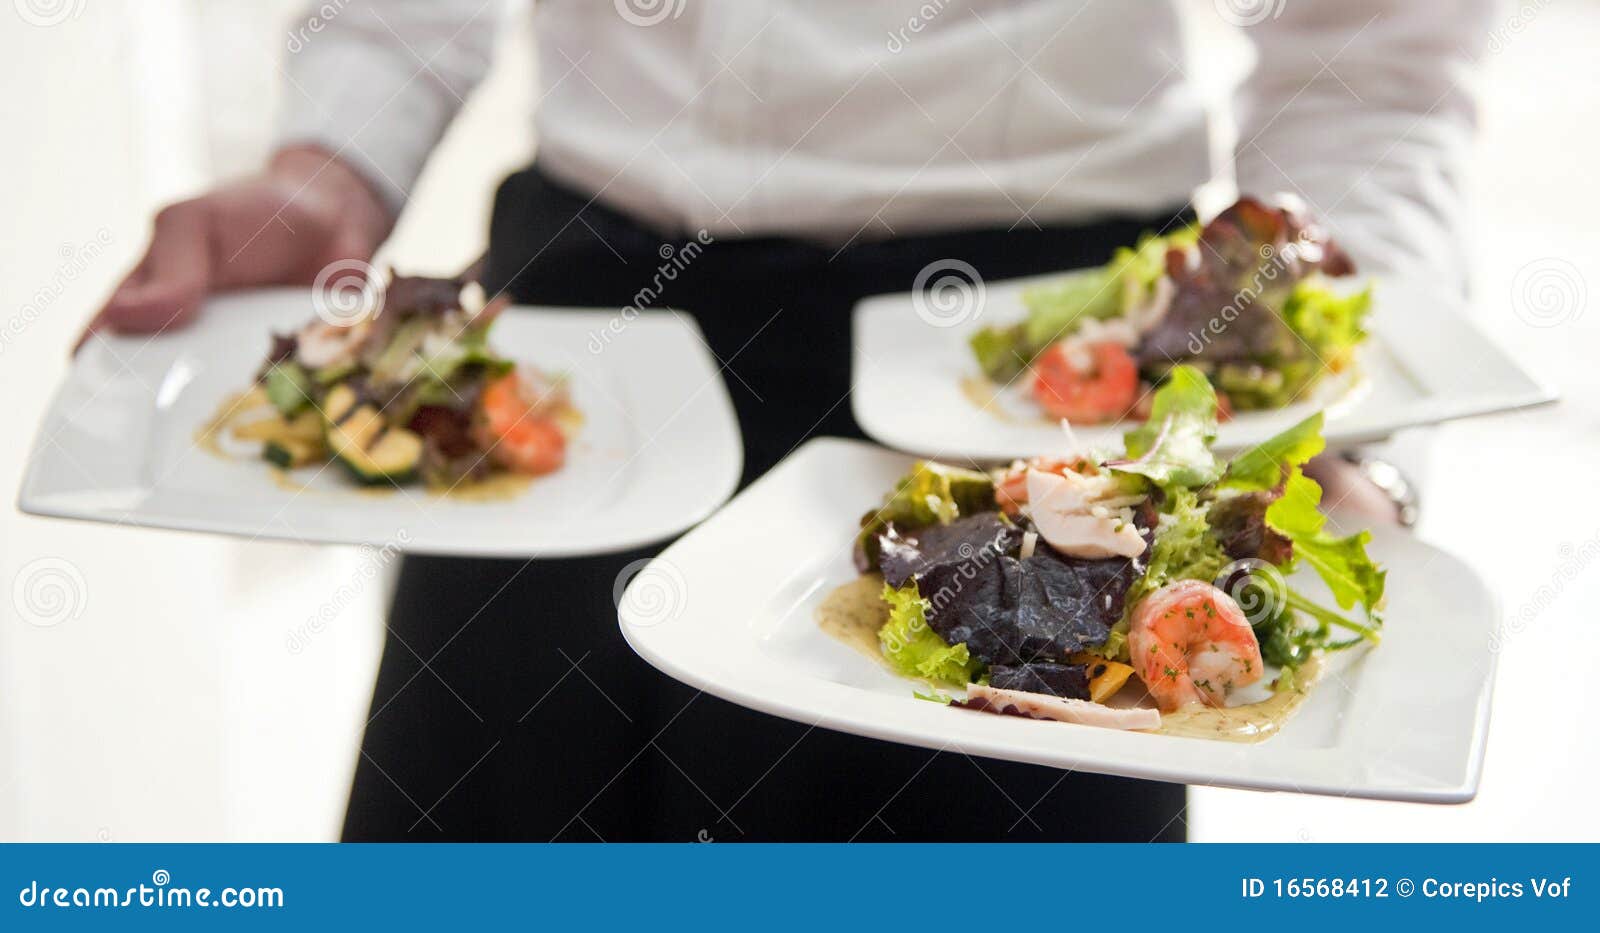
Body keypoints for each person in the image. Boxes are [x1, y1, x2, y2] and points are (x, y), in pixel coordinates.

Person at [86, 1, 1492, 840]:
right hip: (601, 358)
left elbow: (1378, 58)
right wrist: (333, 159)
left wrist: (1342, 412)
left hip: (1035, 377)